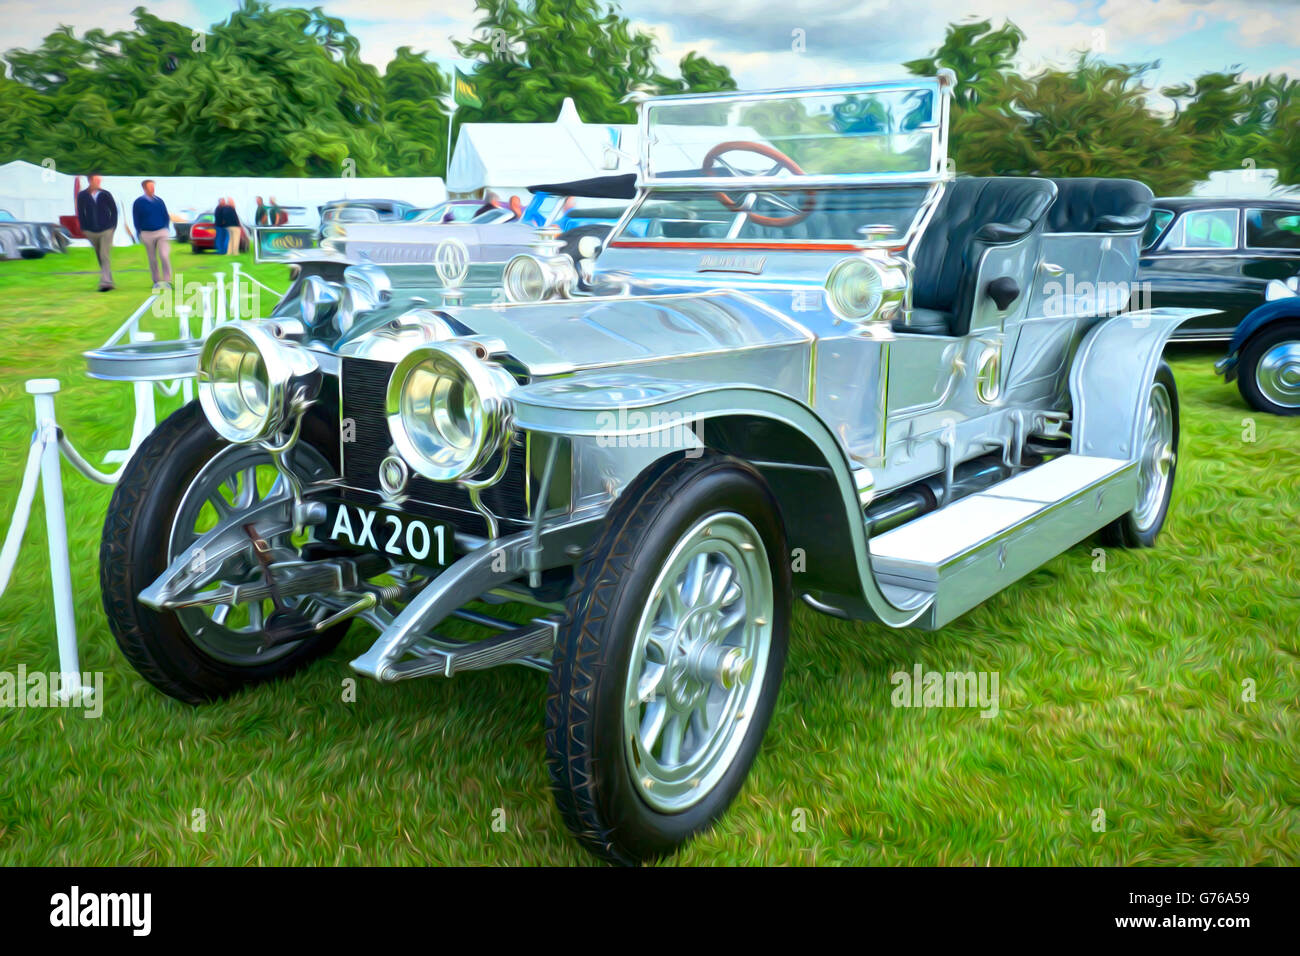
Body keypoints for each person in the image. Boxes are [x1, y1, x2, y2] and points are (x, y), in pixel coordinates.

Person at [76, 173, 118, 291]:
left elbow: (114, 211)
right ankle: (109, 281)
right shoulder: (82, 195)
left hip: (106, 229)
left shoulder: (105, 194)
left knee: (104, 254)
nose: (99, 182)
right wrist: (84, 228)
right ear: (90, 181)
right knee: (100, 255)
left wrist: (113, 226)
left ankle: (105, 283)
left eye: (100, 180)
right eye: (96, 180)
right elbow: (80, 212)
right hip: (91, 231)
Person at [132, 179, 172, 288]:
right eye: (150, 187)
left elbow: (165, 215)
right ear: (144, 188)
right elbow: (136, 218)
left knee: (164, 255)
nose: (152, 189)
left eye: (153, 186)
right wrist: (139, 232)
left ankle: (168, 281)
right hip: (147, 233)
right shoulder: (138, 202)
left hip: (161, 231)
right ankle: (157, 281)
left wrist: (166, 227)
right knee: (152, 259)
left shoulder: (159, 201)